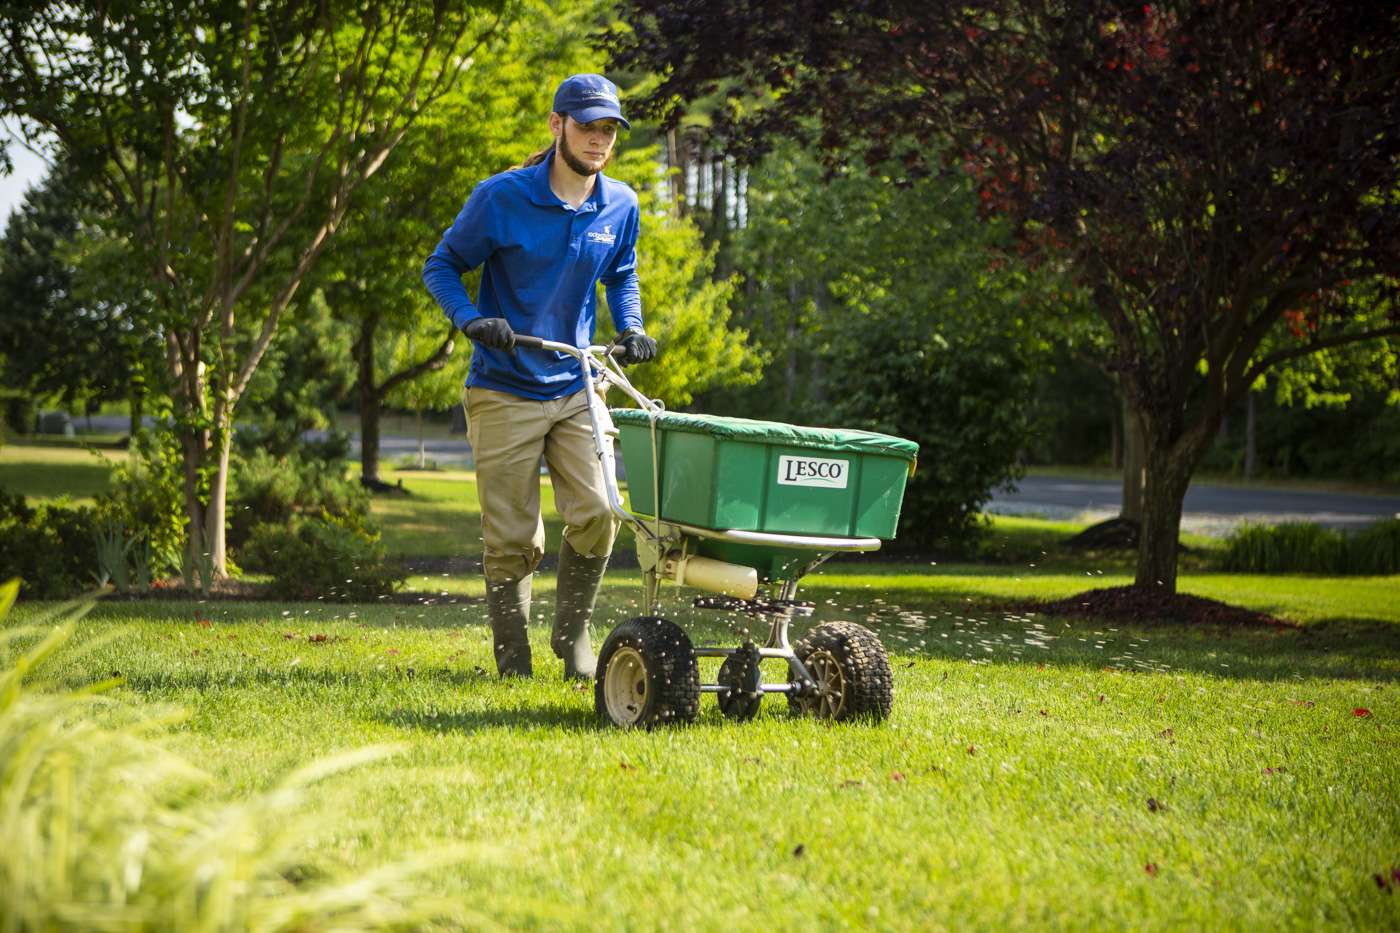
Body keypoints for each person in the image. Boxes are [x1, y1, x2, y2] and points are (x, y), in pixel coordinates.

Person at [422, 74, 656, 680]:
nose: (600, 140)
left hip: (578, 385)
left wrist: (631, 326)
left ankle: (572, 635)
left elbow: (622, 272)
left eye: (610, 130)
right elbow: (443, 264)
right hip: (503, 386)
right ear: (558, 126)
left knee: (603, 510)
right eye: (588, 126)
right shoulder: (501, 198)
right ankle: (513, 658)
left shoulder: (620, 204)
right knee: (511, 536)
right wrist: (472, 320)